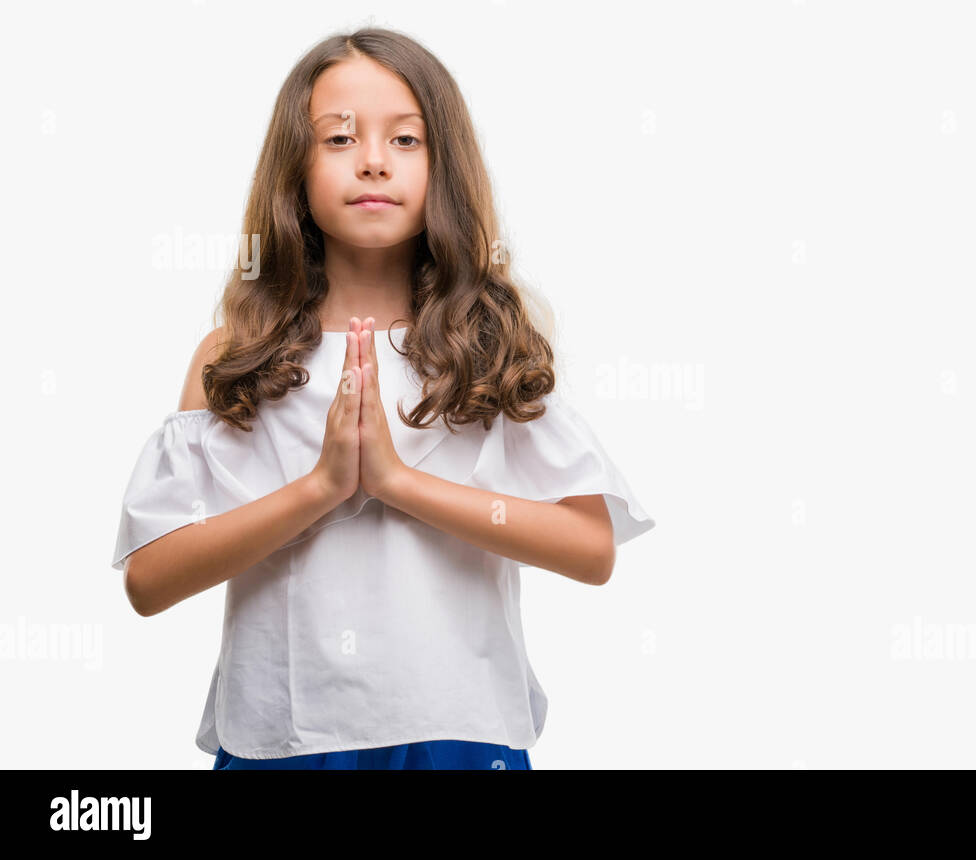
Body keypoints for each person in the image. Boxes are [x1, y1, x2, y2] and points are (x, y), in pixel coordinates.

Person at [110, 28, 655, 771]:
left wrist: (400, 485)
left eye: (405, 139)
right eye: (338, 138)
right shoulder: (237, 356)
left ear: (444, 166)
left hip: (459, 731)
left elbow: (591, 551)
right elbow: (150, 577)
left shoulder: (486, 346)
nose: (372, 158)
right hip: (285, 739)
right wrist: (322, 490)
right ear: (294, 171)